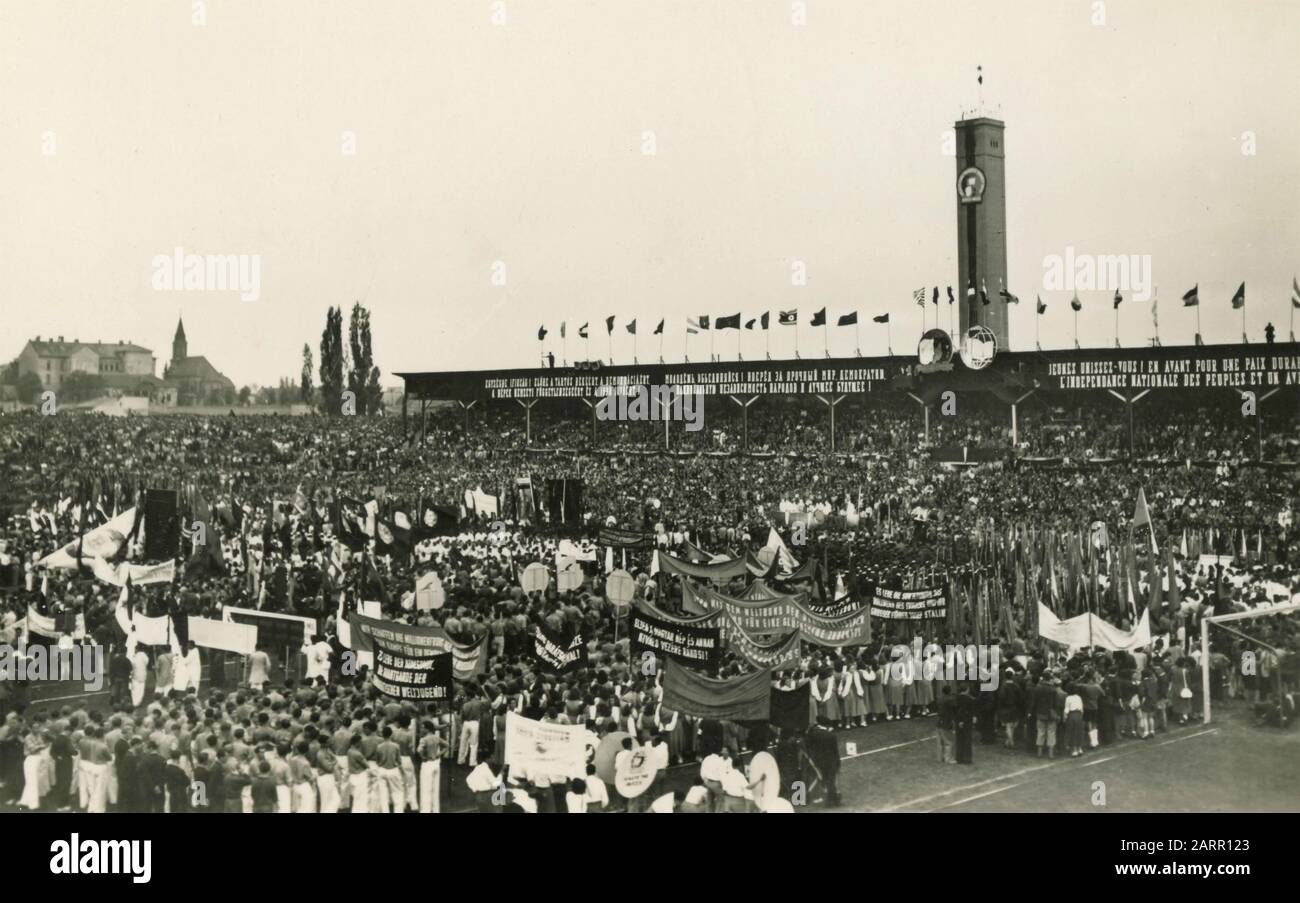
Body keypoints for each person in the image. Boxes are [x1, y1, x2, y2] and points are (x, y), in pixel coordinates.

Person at [417, 720, 447, 813]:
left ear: (427, 728)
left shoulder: (424, 739)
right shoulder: (436, 738)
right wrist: (439, 754)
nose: (421, 729)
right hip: (436, 763)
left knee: (426, 788)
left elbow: (419, 750)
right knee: (435, 789)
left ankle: (425, 810)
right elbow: (447, 745)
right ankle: (435, 810)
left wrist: (423, 757)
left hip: (427, 763)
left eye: (423, 727)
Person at [954, 684, 975, 764]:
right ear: (966, 690)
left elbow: (956, 711)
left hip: (958, 721)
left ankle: (959, 758)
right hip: (966, 721)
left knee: (959, 740)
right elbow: (966, 711)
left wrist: (959, 721)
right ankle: (967, 758)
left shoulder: (956, 698)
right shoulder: (968, 699)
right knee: (967, 740)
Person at [936, 685, 957, 764]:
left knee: (940, 742)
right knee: (948, 741)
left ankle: (939, 757)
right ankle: (948, 758)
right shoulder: (949, 700)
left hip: (939, 721)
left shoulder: (940, 699)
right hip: (946, 722)